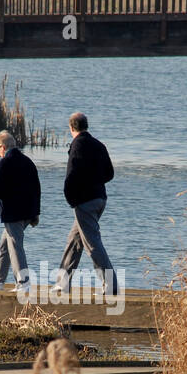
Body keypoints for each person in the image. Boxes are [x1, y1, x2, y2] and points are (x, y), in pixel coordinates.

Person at [55, 112, 117, 296]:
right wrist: (95, 183)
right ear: (86, 125)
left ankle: (111, 285)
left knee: (92, 244)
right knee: (75, 240)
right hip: (100, 199)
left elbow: (71, 175)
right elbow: (110, 174)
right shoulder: (98, 144)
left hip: (85, 202)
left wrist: (71, 199)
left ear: (71, 128)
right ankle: (63, 282)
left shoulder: (77, 145)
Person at [0, 130, 39, 294]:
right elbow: (36, 189)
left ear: (2, 147)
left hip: (13, 214)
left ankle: (23, 283)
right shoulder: (27, 162)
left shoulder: (4, 164)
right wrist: (36, 213)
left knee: (15, 246)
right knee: (4, 245)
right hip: (27, 213)